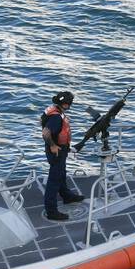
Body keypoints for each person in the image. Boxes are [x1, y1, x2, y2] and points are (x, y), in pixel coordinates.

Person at [41, 90, 83, 220]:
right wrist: (53, 146)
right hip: (56, 151)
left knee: (61, 174)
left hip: (60, 149)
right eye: (69, 103)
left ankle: (66, 196)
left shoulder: (54, 110)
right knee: (54, 180)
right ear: (65, 104)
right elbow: (46, 133)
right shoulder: (56, 117)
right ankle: (51, 211)